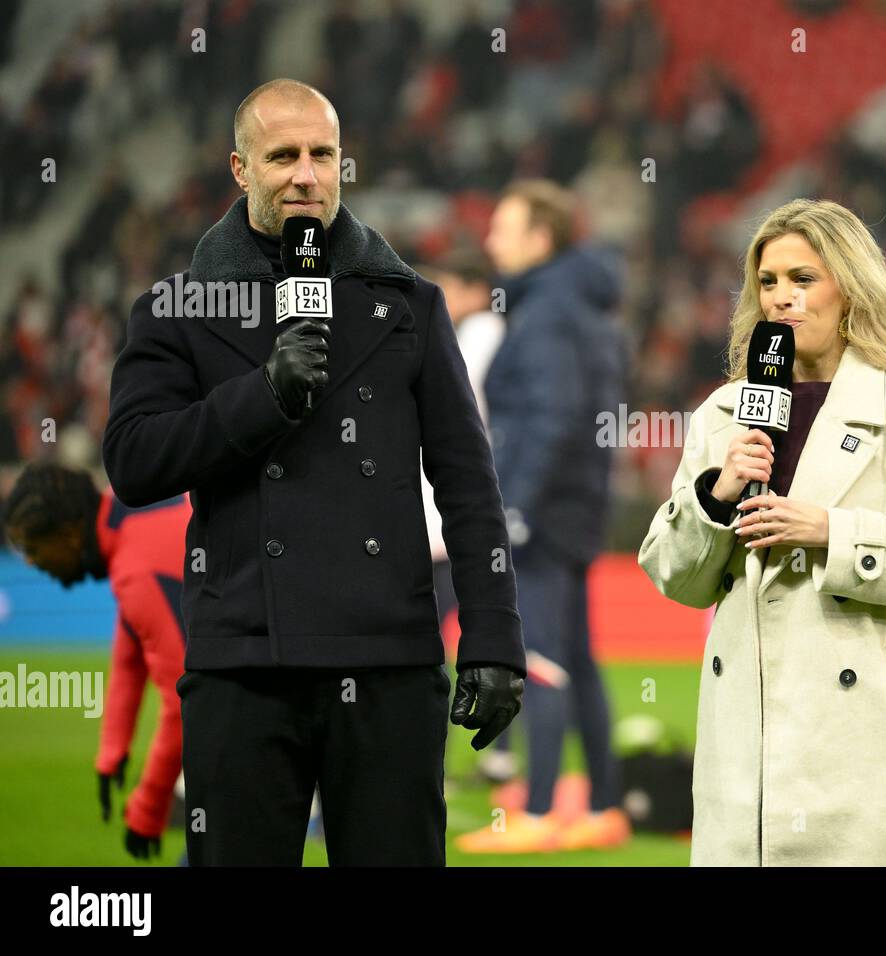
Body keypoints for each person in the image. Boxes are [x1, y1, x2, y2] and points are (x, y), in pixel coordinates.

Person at [101, 78, 525, 866]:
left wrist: (494, 639)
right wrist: (262, 397)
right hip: (243, 668)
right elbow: (133, 462)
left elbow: (468, 484)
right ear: (240, 169)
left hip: (389, 663)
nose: (305, 174)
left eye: (322, 155)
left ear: (342, 165)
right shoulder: (178, 307)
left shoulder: (409, 306)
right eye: (283, 156)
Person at [638, 198, 886, 866]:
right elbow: (674, 575)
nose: (782, 298)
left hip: (867, 749)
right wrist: (715, 496)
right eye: (768, 282)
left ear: (851, 288)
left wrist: (835, 533)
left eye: (803, 279)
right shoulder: (723, 412)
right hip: (746, 755)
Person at [455, 180, 630, 852]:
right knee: (576, 659)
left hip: (546, 509)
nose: (492, 240)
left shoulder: (549, 310)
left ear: (541, 237)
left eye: (504, 227)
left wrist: (518, 505)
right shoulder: (581, 306)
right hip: (579, 504)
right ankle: (606, 806)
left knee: (542, 659)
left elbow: (553, 417)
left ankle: (538, 811)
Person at [3, 462, 188, 860]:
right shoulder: (131, 510)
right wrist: (112, 750)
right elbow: (129, 653)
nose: (33, 564)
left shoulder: (135, 571)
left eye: (34, 549)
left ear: (69, 533)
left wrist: (148, 810)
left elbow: (184, 702)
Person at [414, 249, 514, 783]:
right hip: (460, 521)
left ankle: (437, 755)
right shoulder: (490, 334)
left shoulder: (479, 334)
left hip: (450, 525)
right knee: (485, 638)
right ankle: (496, 754)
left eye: (452, 283)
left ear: (476, 287)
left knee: (439, 644)